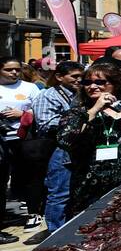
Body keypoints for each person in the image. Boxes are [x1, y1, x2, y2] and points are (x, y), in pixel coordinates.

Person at [57, 63, 121, 219]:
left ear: (115, 84)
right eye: (87, 82)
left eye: (100, 82)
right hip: (91, 185)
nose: (92, 86)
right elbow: (66, 140)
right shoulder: (76, 112)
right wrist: (94, 110)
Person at [23, 61, 83, 241]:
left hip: (77, 148)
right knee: (59, 191)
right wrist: (77, 123)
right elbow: (46, 124)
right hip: (57, 149)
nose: (79, 80)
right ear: (59, 77)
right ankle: (55, 232)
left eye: (81, 76)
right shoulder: (48, 96)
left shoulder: (79, 94)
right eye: (74, 76)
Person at [0, 57, 40, 235]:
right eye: (9, 70)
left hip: (24, 138)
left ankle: (33, 212)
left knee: (28, 176)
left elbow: (40, 109)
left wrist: (22, 113)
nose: (14, 73)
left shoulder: (29, 87)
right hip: (1, 139)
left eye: (17, 69)